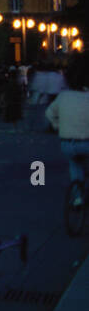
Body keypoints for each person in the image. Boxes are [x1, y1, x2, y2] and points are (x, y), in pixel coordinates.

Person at [47, 61, 89, 204]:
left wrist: (57, 125)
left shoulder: (63, 96)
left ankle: (77, 198)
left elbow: (49, 113)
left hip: (67, 143)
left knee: (75, 165)